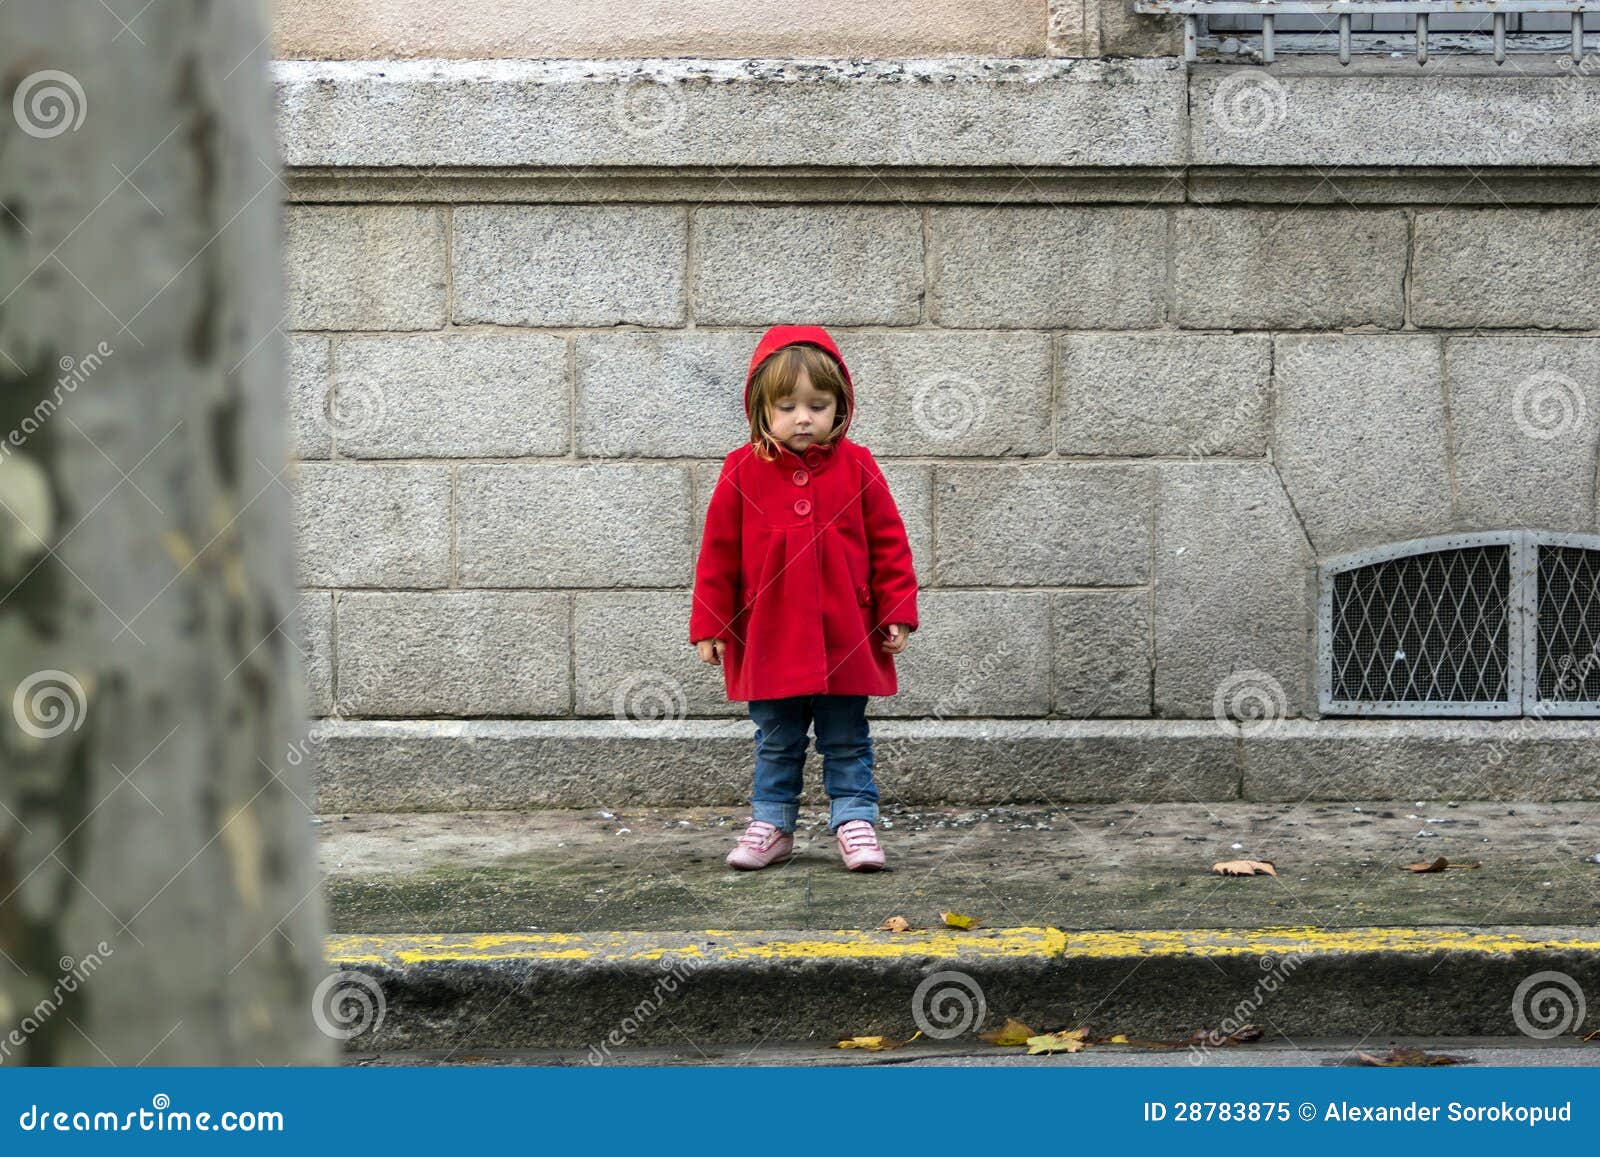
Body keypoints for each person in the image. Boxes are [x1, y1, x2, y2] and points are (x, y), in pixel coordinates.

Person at [690, 325, 919, 873]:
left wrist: (896, 611)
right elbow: (718, 553)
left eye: (817, 405)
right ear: (760, 409)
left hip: (846, 632)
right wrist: (712, 623)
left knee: (847, 735)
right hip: (766, 634)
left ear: (839, 407)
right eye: (787, 406)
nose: (803, 419)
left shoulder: (858, 465)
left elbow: (890, 543)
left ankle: (856, 821)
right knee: (775, 738)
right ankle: (771, 824)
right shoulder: (741, 469)